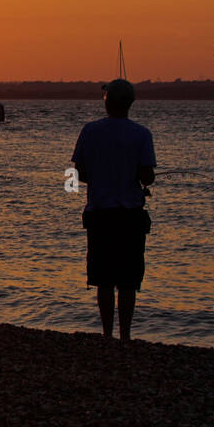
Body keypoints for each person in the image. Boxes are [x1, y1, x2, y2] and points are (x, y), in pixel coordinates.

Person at [72, 79, 156, 340]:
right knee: (129, 279)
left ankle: (107, 334)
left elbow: (80, 173)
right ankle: (126, 335)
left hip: (100, 214)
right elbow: (147, 177)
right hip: (130, 215)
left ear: (106, 101)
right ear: (130, 103)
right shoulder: (142, 134)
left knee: (104, 278)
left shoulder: (90, 131)